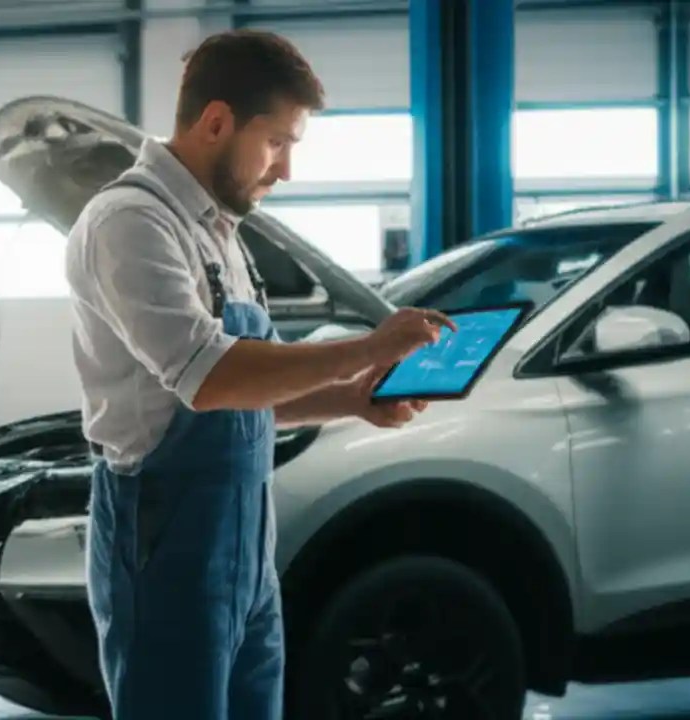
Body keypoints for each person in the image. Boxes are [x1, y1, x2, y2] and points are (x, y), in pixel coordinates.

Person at [64, 29, 454, 720]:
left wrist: (350, 400)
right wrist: (369, 347)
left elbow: (248, 400)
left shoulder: (219, 233)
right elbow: (211, 377)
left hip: (247, 553)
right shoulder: (129, 223)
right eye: (277, 142)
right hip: (163, 548)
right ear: (217, 122)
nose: (285, 171)